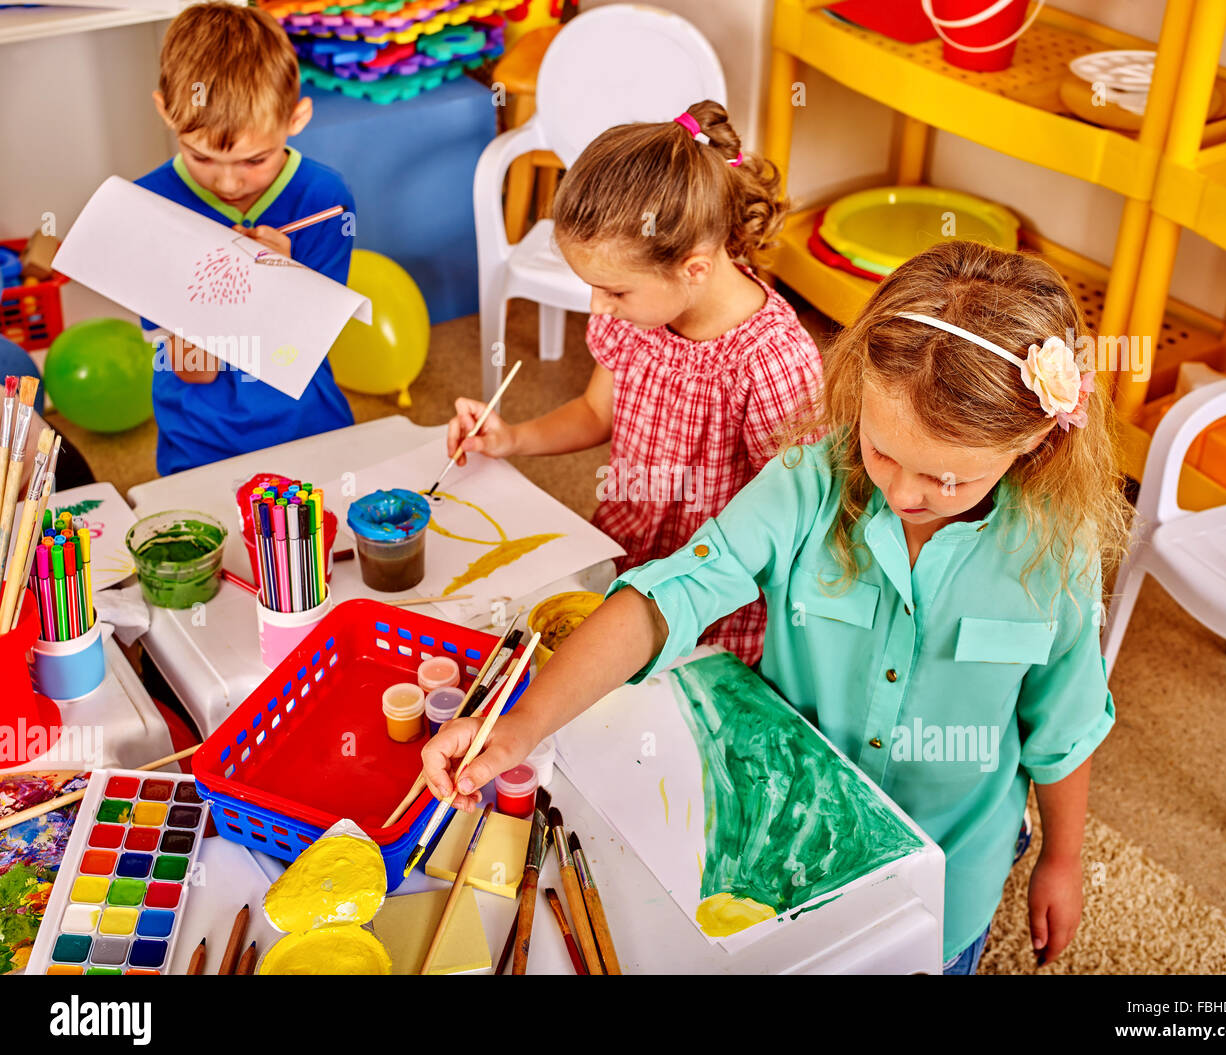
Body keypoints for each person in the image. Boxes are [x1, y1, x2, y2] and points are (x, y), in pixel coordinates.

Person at [424, 241, 1132, 973]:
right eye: (883, 450)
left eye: (948, 479)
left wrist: (1062, 857)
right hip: (789, 841)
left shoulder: (1058, 550)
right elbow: (664, 600)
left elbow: (1063, 728)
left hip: (950, 876)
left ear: (1035, 439)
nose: (904, 493)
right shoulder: (808, 481)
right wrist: (515, 729)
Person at [443, 100, 822, 664]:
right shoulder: (638, 316)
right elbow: (598, 413)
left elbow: (793, 513)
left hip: (709, 597)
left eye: (614, 290)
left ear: (694, 267)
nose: (597, 306)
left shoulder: (771, 359)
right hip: (624, 550)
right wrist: (512, 438)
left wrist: (674, 595)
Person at [136, 1, 355, 476]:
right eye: (202, 157)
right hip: (199, 441)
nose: (229, 184)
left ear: (296, 119)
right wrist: (220, 281)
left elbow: (301, 347)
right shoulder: (148, 206)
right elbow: (196, 369)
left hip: (308, 426)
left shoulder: (325, 198)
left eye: (254, 161)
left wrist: (283, 279)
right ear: (165, 112)